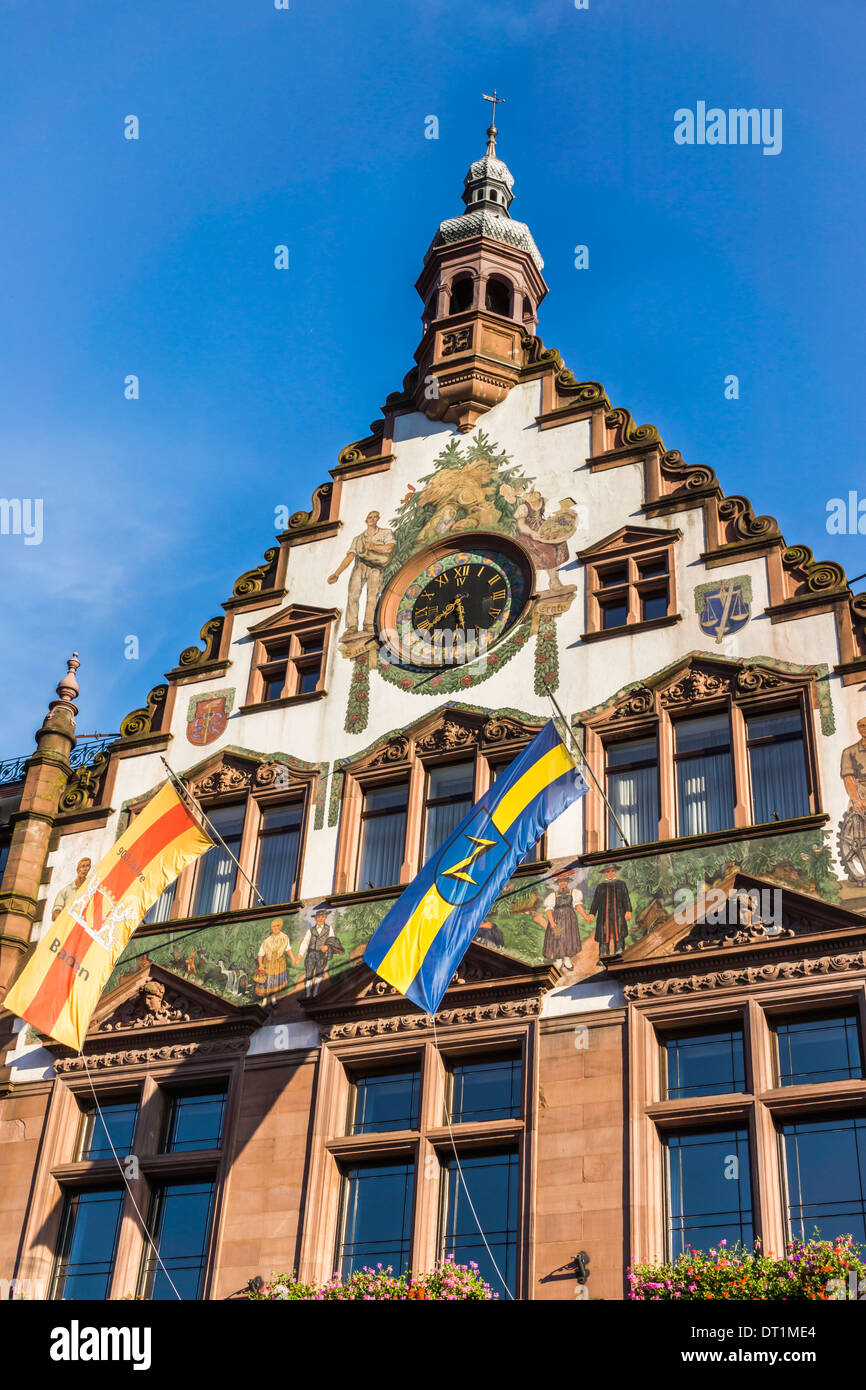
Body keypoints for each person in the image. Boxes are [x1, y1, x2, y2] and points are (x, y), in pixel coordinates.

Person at [327, 511, 395, 635]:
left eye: (375, 517)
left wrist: (373, 547)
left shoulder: (385, 533)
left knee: (372, 596)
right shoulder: (358, 539)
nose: (372, 519)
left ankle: (369, 624)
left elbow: (389, 548)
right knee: (353, 595)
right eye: (370, 517)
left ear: (378, 519)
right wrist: (337, 573)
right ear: (366, 520)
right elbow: (350, 556)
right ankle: (352, 626)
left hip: (376, 567)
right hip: (360, 566)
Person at [578, 865, 633, 961]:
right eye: (607, 872)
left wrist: (628, 910)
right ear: (604, 873)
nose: (610, 874)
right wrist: (592, 913)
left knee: (619, 933)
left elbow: (626, 898)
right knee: (604, 934)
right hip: (604, 915)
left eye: (612, 871)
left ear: (615, 871)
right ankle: (603, 957)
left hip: (618, 913)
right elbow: (596, 901)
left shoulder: (621, 884)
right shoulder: (600, 886)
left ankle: (619, 954)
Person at [293, 906, 345, 999]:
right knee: (309, 973)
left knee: (319, 973)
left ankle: (315, 992)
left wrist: (327, 946)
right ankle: (308, 994)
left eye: (322, 917)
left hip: (322, 954)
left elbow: (332, 939)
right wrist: (300, 955)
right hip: (311, 954)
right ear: (316, 918)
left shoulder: (329, 929)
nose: (320, 919)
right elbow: (305, 942)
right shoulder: (311, 930)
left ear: (325, 917)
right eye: (318, 917)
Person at [542, 871, 583, 969]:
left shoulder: (573, 892)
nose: (562, 883)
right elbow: (548, 909)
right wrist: (552, 923)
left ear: (568, 881)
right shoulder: (553, 895)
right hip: (557, 918)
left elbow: (577, 905)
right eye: (560, 881)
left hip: (569, 918)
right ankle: (559, 959)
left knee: (568, 937)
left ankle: (567, 959)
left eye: (564, 881)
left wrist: (585, 916)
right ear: (557, 883)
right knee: (558, 937)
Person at [255, 917, 293, 1002]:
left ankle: (273, 999)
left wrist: (294, 959)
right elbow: (261, 954)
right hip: (268, 963)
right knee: (266, 981)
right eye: (273, 926)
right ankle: (264, 1000)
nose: (275, 928)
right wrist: (261, 964)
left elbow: (288, 949)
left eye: (277, 926)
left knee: (275, 981)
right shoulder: (267, 941)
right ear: (271, 928)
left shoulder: (284, 938)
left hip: (279, 963)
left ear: (280, 927)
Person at [841, 717, 866, 811]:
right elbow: (848, 779)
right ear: (858, 729)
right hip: (861, 794)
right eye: (862, 726)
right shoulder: (849, 752)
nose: (865, 728)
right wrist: (856, 800)